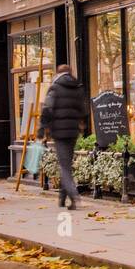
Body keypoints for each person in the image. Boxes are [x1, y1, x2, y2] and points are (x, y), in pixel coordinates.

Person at [40, 64, 90, 211]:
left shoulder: (55, 88)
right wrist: (81, 125)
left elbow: (47, 109)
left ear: (58, 73)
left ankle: (74, 197)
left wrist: (42, 130)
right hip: (73, 132)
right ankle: (62, 198)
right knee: (66, 164)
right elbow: (84, 110)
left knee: (64, 167)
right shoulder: (77, 87)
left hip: (59, 133)